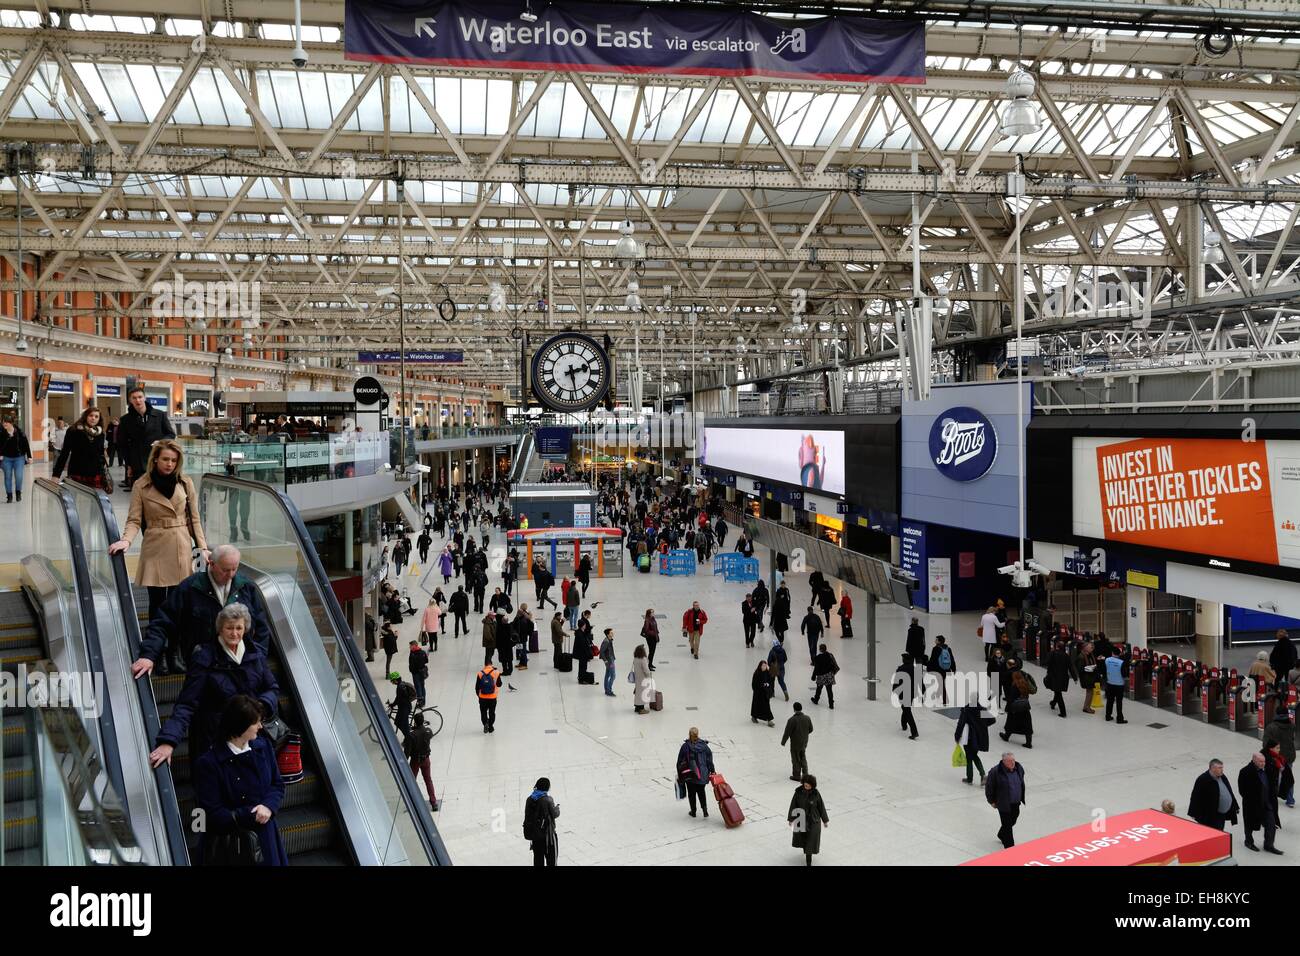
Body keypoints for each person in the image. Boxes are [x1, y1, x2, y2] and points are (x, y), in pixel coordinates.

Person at [149, 603, 279, 770]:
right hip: (215, 739)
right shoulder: (204, 658)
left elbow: (272, 688)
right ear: (220, 629)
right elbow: (187, 703)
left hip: (250, 736)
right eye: (229, 628)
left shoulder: (256, 654)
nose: (234, 633)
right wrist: (168, 741)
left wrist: (260, 707)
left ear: (245, 628)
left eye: (239, 628)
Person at [109, 439, 210, 628]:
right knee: (156, 601)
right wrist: (126, 541)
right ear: (155, 459)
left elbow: (194, 520)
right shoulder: (142, 484)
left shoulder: (185, 483)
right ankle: (156, 645)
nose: (169, 464)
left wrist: (202, 548)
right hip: (155, 545)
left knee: (177, 599)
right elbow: (134, 520)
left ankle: (174, 646)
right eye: (165, 459)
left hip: (181, 545)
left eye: (173, 460)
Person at [134, 544, 271, 678]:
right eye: (225, 570)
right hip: (203, 667)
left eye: (234, 569)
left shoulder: (246, 587)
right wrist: (148, 656)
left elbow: (261, 626)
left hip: (241, 666)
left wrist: (259, 657)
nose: (230, 575)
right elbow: (163, 621)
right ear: (211, 564)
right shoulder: (190, 588)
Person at [191, 694, 288, 866]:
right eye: (255, 722)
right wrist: (252, 814)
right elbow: (211, 814)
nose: (260, 726)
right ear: (240, 727)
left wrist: (268, 806)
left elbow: (277, 784)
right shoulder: (209, 764)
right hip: (232, 844)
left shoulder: (263, 746)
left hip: (266, 837)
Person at [117, 386, 176, 489]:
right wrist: (129, 465)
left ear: (145, 398)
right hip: (138, 465)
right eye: (134, 398)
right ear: (130, 400)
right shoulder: (125, 420)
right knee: (141, 495)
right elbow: (122, 444)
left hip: (158, 461)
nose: (137, 400)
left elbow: (171, 434)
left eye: (140, 397)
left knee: (159, 494)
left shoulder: (159, 415)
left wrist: (160, 442)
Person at [52, 406, 112, 490]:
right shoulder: (73, 430)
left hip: (95, 473)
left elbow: (100, 454)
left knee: (95, 501)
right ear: (86, 416)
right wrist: (56, 475)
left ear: (99, 419)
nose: (93, 418)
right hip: (77, 472)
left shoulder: (100, 433)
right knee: (75, 500)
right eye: (91, 415)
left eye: (96, 416)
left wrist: (104, 472)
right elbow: (64, 453)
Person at [1238, 751, 1282, 854]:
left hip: (1267, 804)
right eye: (1260, 761)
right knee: (1250, 825)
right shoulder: (1245, 771)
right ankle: (1248, 841)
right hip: (1252, 805)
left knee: (1271, 825)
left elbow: (1272, 784)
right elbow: (1242, 790)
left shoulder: (1267, 770)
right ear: (1254, 760)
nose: (1263, 763)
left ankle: (1269, 845)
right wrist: (1252, 799)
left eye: (1264, 761)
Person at [985, 752, 1027, 848]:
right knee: (1007, 826)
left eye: (1013, 760)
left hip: (1016, 802)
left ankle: (1001, 834)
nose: (1012, 763)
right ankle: (1010, 848)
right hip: (1003, 803)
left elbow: (1021, 780)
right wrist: (991, 801)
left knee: (1013, 820)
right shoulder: (995, 771)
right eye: (1009, 761)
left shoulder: (1019, 768)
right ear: (1003, 762)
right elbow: (989, 787)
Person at [787, 775, 829, 867]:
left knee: (811, 840)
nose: (806, 787)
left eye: (808, 786)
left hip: (814, 819)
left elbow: (821, 807)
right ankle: (805, 850)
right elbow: (793, 805)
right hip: (801, 818)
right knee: (803, 837)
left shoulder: (816, 793)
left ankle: (808, 861)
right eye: (805, 785)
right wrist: (791, 819)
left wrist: (825, 820)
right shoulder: (798, 792)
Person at [1187, 758, 1239, 831]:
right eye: (1220, 768)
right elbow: (1195, 797)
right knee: (1213, 833)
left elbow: (1229, 791)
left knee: (1220, 831)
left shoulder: (1222, 776)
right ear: (1213, 768)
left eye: (1222, 767)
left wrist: (1235, 805)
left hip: (1222, 814)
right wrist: (1193, 813)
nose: (1222, 770)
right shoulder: (1203, 779)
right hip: (1211, 816)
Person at [954, 692, 994, 786]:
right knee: (973, 755)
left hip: (969, 737)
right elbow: (992, 720)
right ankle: (974, 777)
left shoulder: (967, 710)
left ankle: (978, 776)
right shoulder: (982, 710)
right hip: (980, 737)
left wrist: (957, 736)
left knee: (970, 756)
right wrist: (982, 726)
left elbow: (961, 724)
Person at [676, 728, 715, 818]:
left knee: (691, 793)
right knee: (701, 791)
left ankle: (693, 812)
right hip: (703, 774)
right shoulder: (704, 746)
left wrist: (680, 773)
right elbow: (709, 760)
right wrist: (712, 770)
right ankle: (705, 811)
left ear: (689, 734)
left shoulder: (685, 746)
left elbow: (679, 761)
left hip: (690, 774)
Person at [404, 712, 438, 811]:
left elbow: (407, 752)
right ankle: (434, 802)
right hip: (426, 759)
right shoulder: (428, 731)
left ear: (415, 722)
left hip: (415, 761)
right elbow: (425, 734)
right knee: (428, 780)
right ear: (423, 721)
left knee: (412, 781)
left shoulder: (412, 735)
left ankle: (413, 803)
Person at [523, 777, 560, 866]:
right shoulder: (548, 799)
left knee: (538, 860)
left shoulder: (529, 799)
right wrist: (557, 808)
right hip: (548, 836)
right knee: (551, 859)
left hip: (535, 835)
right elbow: (554, 814)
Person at [1264, 707, 1296, 808]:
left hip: (1275, 756)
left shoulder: (1271, 727)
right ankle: (1290, 800)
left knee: (1272, 777)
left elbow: (1266, 743)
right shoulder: (1292, 725)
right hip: (1289, 755)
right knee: (1288, 776)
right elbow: (1292, 738)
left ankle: (1271, 798)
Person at [999, 662, 1033, 749]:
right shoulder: (1024, 683)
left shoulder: (1015, 685)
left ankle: (1006, 736)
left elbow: (1011, 698)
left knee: (1010, 723)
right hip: (1025, 707)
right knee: (1027, 724)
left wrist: (1008, 708)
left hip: (1015, 707)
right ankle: (1028, 742)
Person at [1, 418, 32, 503]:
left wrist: (29, 456)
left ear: (11, 423)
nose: (4, 425)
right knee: (8, 477)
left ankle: (18, 493)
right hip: (6, 458)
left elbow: (26, 444)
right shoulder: (2, 433)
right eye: (3, 423)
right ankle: (9, 496)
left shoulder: (19, 432)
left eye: (6, 423)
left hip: (19, 458)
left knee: (19, 476)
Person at [781, 702, 813, 781]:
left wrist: (783, 742)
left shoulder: (792, 720)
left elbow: (787, 732)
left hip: (795, 743)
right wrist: (804, 734)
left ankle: (797, 775)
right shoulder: (807, 718)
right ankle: (805, 775)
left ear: (794, 709)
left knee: (795, 759)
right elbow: (811, 729)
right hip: (804, 742)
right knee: (803, 757)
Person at [1043, 640, 1076, 718]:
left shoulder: (1052, 653)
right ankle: (1053, 703)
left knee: (1058, 693)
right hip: (1064, 678)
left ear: (1057, 646)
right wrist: (1075, 678)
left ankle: (1063, 712)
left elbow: (1046, 662)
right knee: (1057, 691)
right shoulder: (1066, 655)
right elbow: (1071, 667)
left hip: (1054, 677)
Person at [892, 653, 920, 740]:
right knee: (906, 709)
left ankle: (914, 732)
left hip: (902, 692)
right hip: (911, 693)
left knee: (907, 710)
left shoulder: (901, 668)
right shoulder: (914, 669)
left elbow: (896, 681)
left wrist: (894, 690)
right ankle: (903, 725)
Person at [475, 660, 503, 734]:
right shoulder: (496, 672)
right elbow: (499, 684)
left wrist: (479, 696)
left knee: (483, 712)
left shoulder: (480, 673)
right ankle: (490, 727)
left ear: (485, 665)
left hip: (482, 698)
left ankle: (485, 723)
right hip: (492, 698)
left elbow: (477, 687)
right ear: (491, 664)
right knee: (492, 712)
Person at [927, 635, 956, 705]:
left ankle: (946, 700)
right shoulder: (948, 648)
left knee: (941, 684)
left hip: (939, 669)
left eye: (936, 640)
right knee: (941, 682)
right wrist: (953, 669)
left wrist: (929, 668)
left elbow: (932, 660)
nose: (935, 641)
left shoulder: (935, 649)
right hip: (947, 669)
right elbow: (952, 658)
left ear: (939, 641)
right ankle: (937, 695)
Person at [1103, 647, 1129, 723]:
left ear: (1112, 653)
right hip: (1119, 685)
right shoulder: (1121, 662)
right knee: (1119, 702)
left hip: (1110, 683)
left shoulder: (1107, 660)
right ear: (1119, 654)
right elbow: (1124, 674)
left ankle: (1108, 716)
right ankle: (1119, 719)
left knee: (1109, 700)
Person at [1073, 640, 1098, 714]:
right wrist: (1088, 668)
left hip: (1090, 675)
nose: (1092, 648)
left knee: (1090, 692)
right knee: (1090, 692)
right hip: (1086, 677)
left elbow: (1091, 662)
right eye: (1090, 647)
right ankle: (1087, 708)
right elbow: (1080, 668)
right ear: (1085, 648)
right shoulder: (1081, 657)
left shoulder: (1090, 655)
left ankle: (1086, 706)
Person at [811, 644, 839, 708]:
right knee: (829, 690)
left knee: (819, 689)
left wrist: (813, 676)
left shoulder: (817, 658)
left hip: (821, 676)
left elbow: (816, 668)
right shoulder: (830, 655)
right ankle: (831, 704)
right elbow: (833, 664)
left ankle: (816, 700)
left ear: (820, 649)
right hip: (829, 675)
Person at [751, 660, 775, 726]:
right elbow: (754, 684)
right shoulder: (756, 673)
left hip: (765, 693)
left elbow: (772, 679)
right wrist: (762, 685)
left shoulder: (768, 673)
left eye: (765, 665)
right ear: (760, 666)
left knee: (767, 706)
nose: (764, 667)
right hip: (758, 693)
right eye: (763, 665)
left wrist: (767, 685)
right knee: (756, 706)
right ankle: (754, 717)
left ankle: (769, 720)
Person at [632, 644, 652, 714]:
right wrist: (649, 676)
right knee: (642, 693)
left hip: (637, 678)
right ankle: (641, 709)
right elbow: (646, 670)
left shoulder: (635, 658)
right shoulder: (643, 659)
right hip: (643, 678)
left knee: (638, 693)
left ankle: (637, 707)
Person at [408, 639, 429, 707]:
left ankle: (420, 702)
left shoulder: (415, 653)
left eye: (410, 646)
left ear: (414, 645)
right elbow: (426, 660)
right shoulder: (420, 652)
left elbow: (415, 663)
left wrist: (414, 668)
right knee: (422, 686)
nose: (409, 647)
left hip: (416, 673)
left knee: (418, 687)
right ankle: (423, 701)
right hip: (420, 672)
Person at [768, 637, 789, 702]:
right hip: (781, 668)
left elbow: (769, 661)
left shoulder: (772, 651)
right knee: (781, 681)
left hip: (774, 668)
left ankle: (772, 693)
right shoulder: (783, 650)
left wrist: (772, 665)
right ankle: (785, 693)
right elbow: (785, 659)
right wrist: (781, 663)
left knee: (771, 681)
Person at [599, 627, 617, 697]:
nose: (613, 634)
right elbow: (601, 652)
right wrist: (606, 661)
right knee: (613, 675)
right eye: (611, 633)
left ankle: (607, 690)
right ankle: (609, 690)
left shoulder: (609, 640)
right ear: (608, 634)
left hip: (610, 659)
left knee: (608, 675)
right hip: (609, 661)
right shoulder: (606, 641)